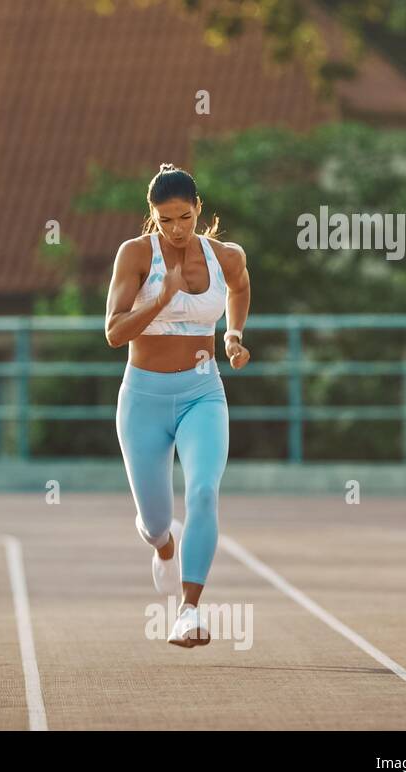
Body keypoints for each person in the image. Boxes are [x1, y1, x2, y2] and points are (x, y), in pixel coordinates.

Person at [104, 163, 252, 648]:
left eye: (184, 217)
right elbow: (113, 333)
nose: (176, 229)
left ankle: (189, 610)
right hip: (143, 398)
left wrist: (232, 335)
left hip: (202, 393)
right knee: (154, 523)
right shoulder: (135, 256)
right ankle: (164, 547)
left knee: (205, 492)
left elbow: (240, 287)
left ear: (198, 210)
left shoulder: (224, 256)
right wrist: (159, 298)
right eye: (165, 220)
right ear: (152, 216)